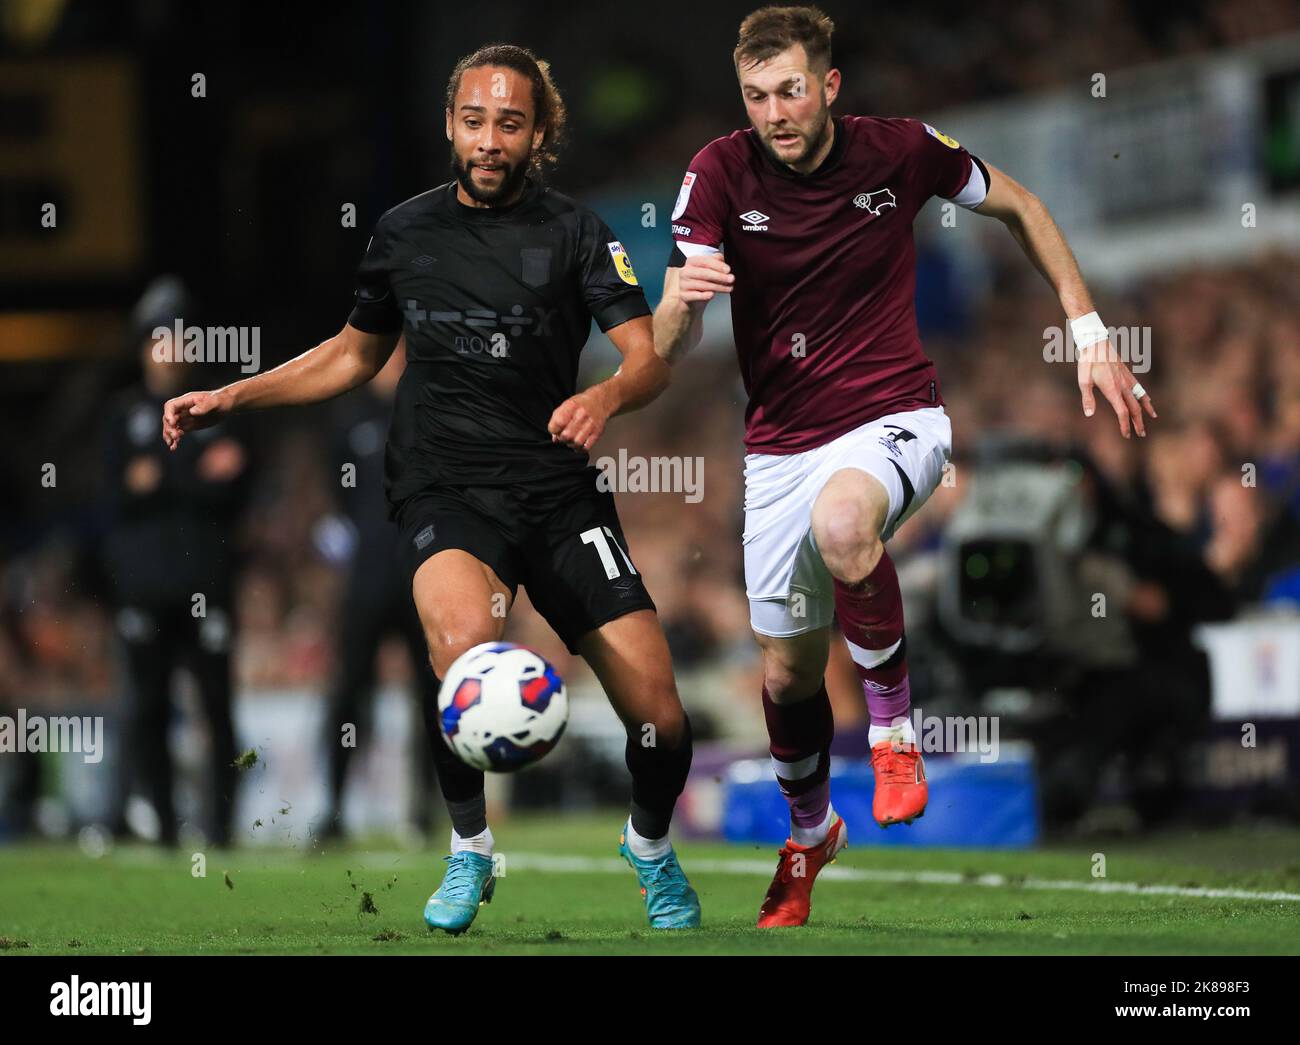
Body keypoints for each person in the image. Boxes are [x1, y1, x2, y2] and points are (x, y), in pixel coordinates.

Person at [162, 44, 699, 933]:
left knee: (662, 715)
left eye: (511, 123)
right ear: (452, 124)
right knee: (460, 653)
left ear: (540, 135)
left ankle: (647, 846)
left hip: (559, 496)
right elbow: (351, 353)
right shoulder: (402, 233)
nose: (491, 139)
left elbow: (648, 360)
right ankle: (470, 849)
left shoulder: (579, 232)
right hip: (445, 489)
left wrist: (603, 394)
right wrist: (232, 393)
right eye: (476, 120)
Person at [652, 5, 1157, 927]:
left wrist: (1089, 330)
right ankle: (809, 836)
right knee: (786, 677)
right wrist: (680, 303)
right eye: (758, 96)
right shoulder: (717, 172)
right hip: (777, 448)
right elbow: (666, 342)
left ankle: (893, 731)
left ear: (829, 85)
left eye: (792, 90)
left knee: (846, 527)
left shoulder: (901, 150)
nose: (776, 112)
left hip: (896, 417)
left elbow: (1022, 205)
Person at [103, 288, 249, 847]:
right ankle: (163, 827)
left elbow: (236, 487)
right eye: (160, 339)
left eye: (180, 339)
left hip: (208, 582)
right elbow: (114, 497)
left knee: (218, 707)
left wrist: (159, 478)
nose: (170, 350)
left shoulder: (214, 409)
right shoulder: (122, 415)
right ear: (144, 348)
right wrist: (193, 474)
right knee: (148, 707)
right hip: (145, 586)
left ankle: (224, 828)